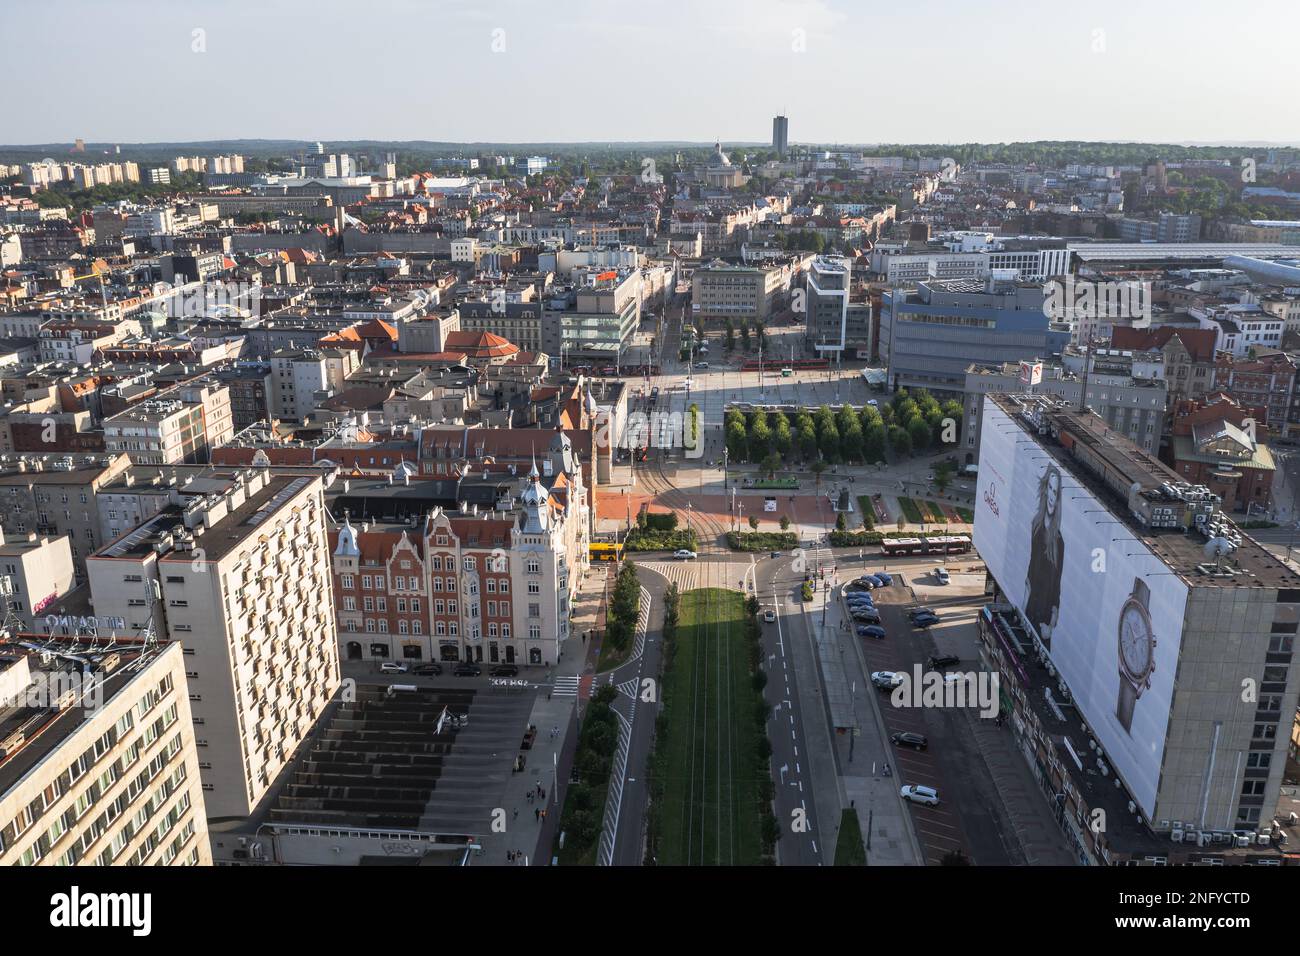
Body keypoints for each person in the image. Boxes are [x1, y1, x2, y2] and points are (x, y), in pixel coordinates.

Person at [1024, 465, 1065, 651]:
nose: (1051, 495)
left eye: (1055, 492)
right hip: (1029, 611)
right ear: (1044, 489)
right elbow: (1029, 575)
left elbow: (1056, 586)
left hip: (1043, 624)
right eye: (1049, 488)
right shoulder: (1036, 527)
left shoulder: (1058, 542)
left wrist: (1051, 626)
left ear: (1058, 499)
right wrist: (1022, 611)